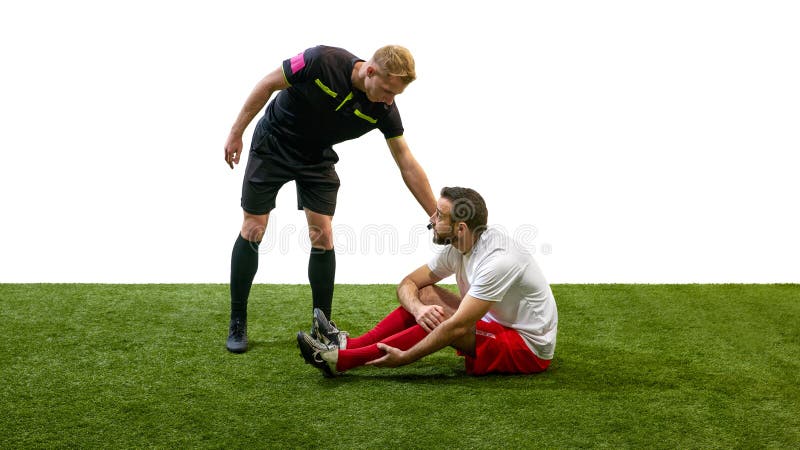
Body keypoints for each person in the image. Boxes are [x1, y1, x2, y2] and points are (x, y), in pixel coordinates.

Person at [223, 45, 436, 353]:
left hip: (316, 158)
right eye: (388, 90)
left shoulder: (383, 109)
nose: (390, 100)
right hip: (274, 143)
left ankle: (321, 323)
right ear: (370, 71)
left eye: (396, 95)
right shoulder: (322, 61)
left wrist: (434, 214)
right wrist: (236, 132)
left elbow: (406, 162)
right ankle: (238, 319)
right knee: (253, 228)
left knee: (322, 234)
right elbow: (269, 83)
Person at [297, 187, 558, 376]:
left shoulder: (498, 261)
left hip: (527, 346)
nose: (431, 220)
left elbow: (455, 328)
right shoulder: (461, 245)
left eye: (439, 216)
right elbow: (409, 282)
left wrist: (405, 358)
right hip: (496, 322)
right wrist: (418, 309)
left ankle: (341, 360)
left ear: (461, 228)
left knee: (443, 320)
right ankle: (348, 344)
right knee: (426, 296)